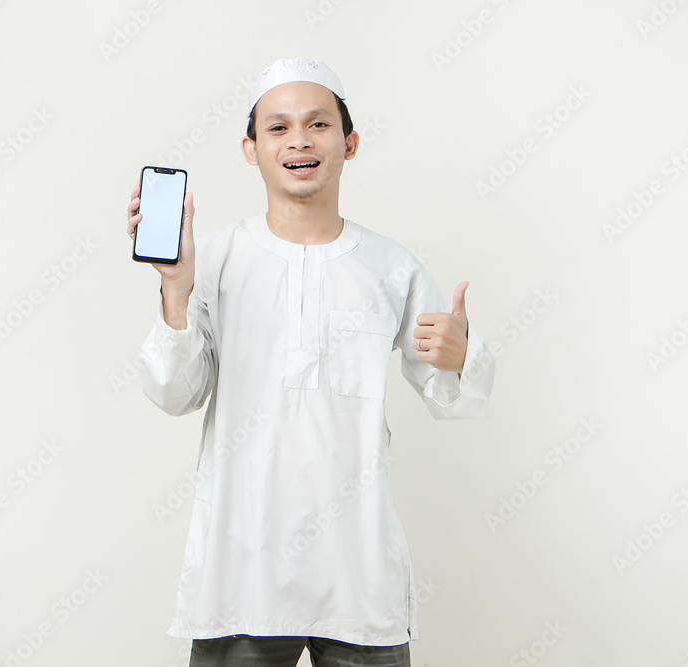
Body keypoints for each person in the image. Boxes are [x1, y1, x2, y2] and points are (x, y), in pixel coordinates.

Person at [126, 57, 496, 667]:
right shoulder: (212, 259)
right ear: (251, 150)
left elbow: (452, 395)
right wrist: (174, 287)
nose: (299, 139)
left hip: (358, 577)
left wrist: (459, 358)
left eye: (318, 124)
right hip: (242, 574)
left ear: (349, 143)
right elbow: (173, 392)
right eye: (278, 127)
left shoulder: (391, 266)